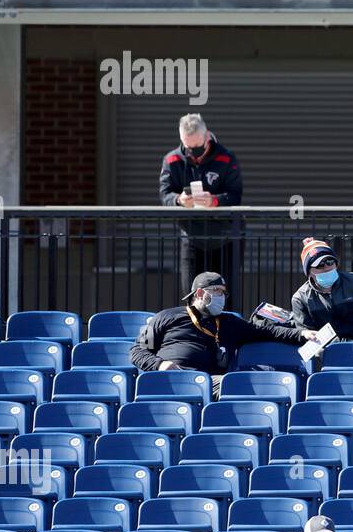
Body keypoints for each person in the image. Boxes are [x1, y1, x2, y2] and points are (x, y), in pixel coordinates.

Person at [129, 272, 313, 394]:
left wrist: (302, 334)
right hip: (168, 380)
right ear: (200, 293)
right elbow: (137, 351)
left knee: (237, 383)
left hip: (206, 383)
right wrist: (161, 365)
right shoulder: (165, 316)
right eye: (217, 291)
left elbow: (267, 331)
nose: (222, 297)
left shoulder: (228, 322)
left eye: (224, 293)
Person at [159, 113, 243, 295]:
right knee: (191, 296)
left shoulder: (226, 158)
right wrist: (179, 200)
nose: (192, 152)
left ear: (207, 137)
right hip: (191, 237)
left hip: (225, 237)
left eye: (197, 147)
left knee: (226, 297)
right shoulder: (172, 160)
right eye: (188, 148)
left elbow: (235, 195)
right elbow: (165, 195)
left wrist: (215, 201)